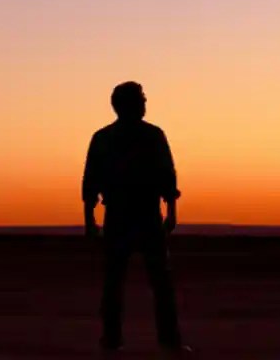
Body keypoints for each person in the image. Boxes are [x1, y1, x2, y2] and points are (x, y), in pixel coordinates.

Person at [82, 81, 189, 354]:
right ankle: (131, 340)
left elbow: (167, 177)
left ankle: (127, 340)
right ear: (127, 104)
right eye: (141, 99)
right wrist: (89, 219)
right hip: (130, 215)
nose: (144, 103)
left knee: (135, 282)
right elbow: (91, 182)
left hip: (138, 215)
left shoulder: (116, 137)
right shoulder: (139, 137)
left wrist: (90, 220)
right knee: (130, 283)